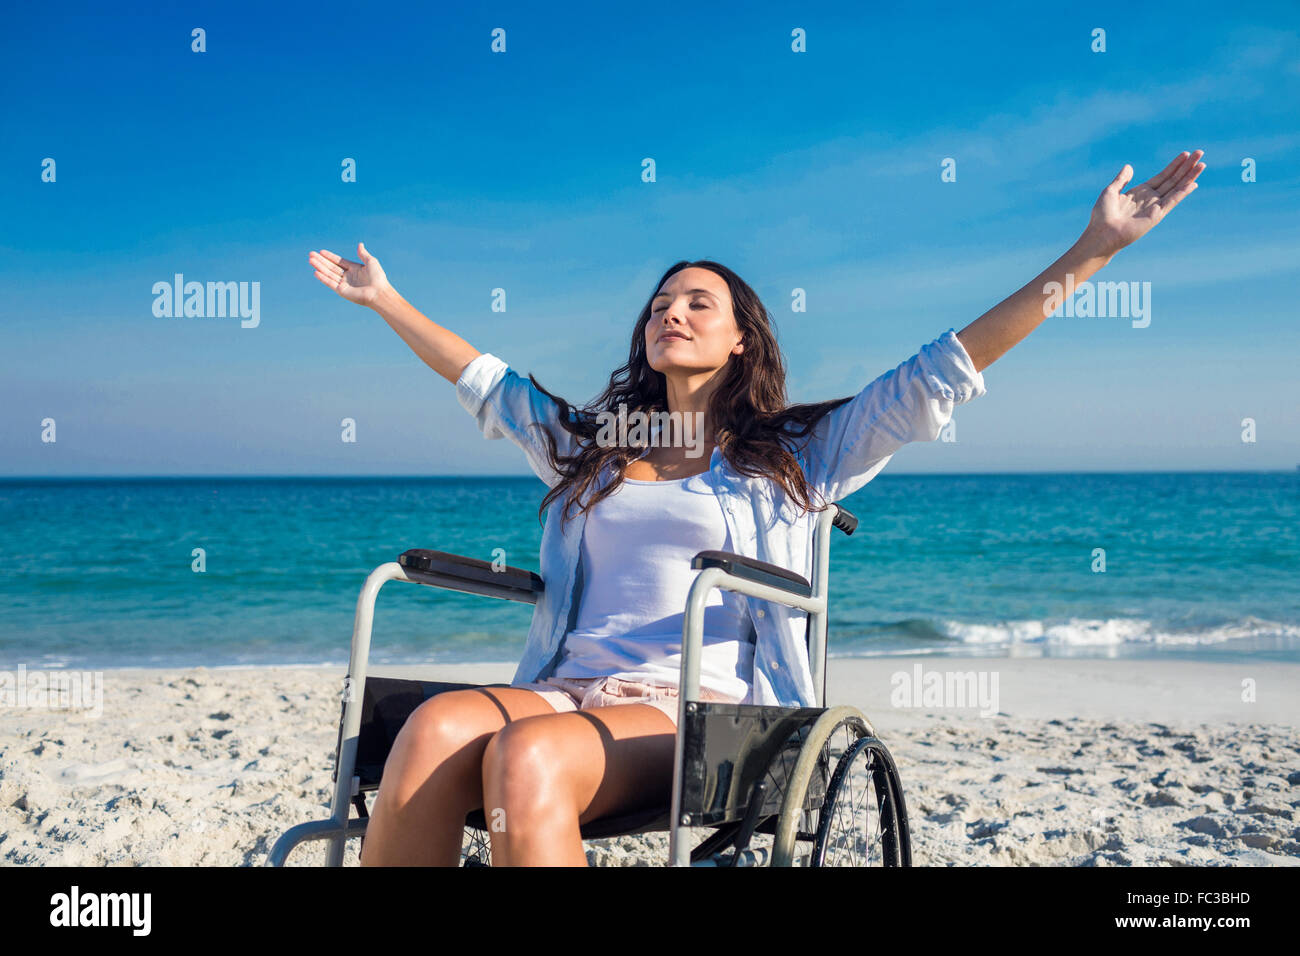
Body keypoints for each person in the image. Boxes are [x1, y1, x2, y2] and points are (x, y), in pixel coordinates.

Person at [307, 150, 1203, 866]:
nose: (674, 312)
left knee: (526, 759)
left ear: (742, 337)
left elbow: (945, 369)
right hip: (561, 691)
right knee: (429, 729)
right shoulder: (595, 447)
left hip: (704, 712)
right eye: (662, 303)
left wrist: (1093, 252)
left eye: (700, 302)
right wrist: (383, 298)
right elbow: (487, 383)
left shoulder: (796, 457)